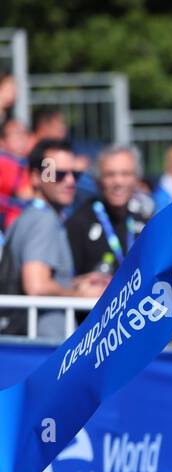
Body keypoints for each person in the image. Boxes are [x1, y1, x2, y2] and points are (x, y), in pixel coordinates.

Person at [0, 138, 109, 339]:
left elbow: (40, 280)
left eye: (74, 174)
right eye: (58, 174)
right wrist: (82, 296)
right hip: (42, 346)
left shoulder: (32, 216)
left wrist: (75, 282)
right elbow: (36, 285)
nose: (69, 181)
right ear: (35, 177)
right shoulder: (43, 220)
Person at [64, 144, 149, 280]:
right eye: (110, 175)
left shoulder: (146, 222)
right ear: (97, 180)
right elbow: (64, 283)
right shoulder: (78, 223)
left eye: (125, 174)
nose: (118, 182)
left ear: (136, 180)